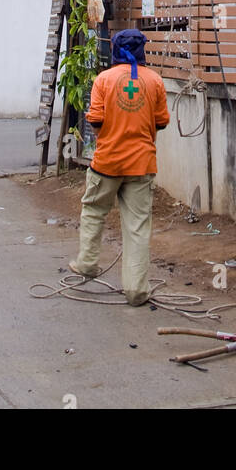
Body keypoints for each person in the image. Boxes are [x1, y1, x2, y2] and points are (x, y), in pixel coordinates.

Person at [69, 27, 170, 306]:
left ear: (115, 49)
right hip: (142, 163)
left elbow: (96, 120)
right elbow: (161, 122)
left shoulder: (103, 80)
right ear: (142, 50)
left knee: (93, 211)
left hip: (107, 162)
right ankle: (137, 291)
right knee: (137, 227)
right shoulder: (155, 81)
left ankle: (87, 264)